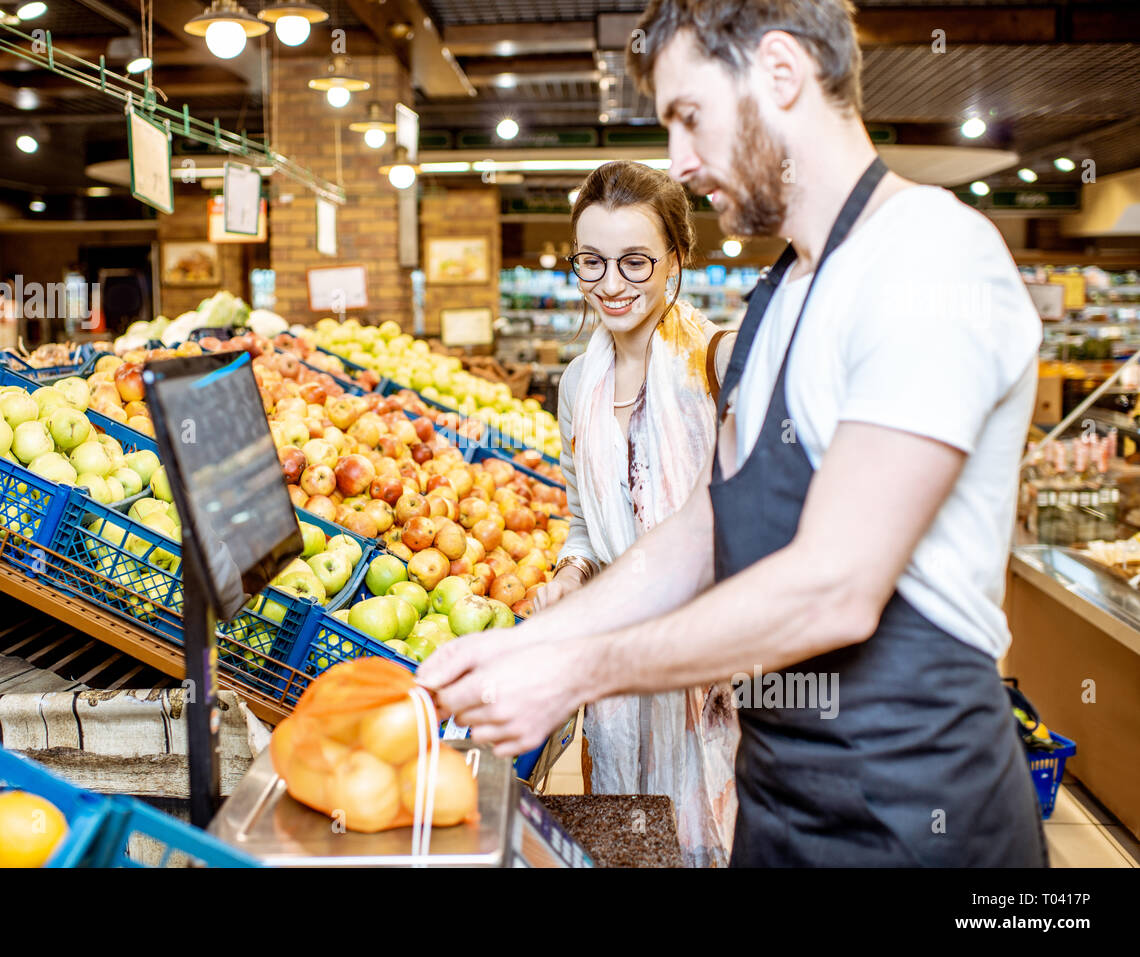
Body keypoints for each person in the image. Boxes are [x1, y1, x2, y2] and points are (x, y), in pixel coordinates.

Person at [419, 0, 1048, 867]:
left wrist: (574, 671)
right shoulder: (786, 296)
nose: (678, 159)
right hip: (783, 791)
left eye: (688, 116)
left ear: (781, 72)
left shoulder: (930, 260)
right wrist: (524, 643)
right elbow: (708, 529)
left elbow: (835, 587)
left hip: (912, 807)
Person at [539, 160, 738, 867]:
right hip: (620, 677)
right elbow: (583, 521)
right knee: (632, 842)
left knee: (712, 842)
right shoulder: (577, 384)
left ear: (676, 258)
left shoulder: (712, 364)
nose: (611, 284)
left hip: (716, 671)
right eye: (591, 262)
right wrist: (571, 570)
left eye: (634, 261)